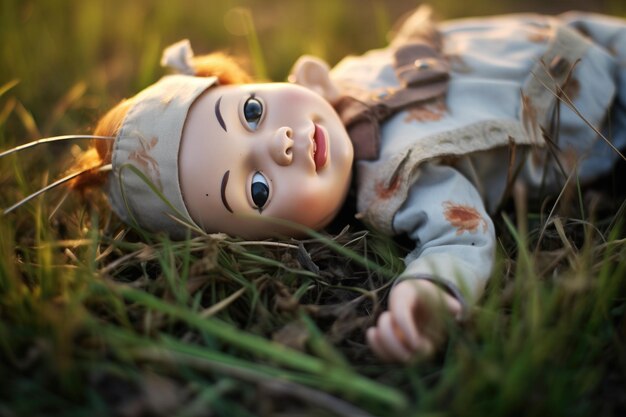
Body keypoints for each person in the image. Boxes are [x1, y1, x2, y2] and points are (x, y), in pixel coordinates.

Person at [9, 6, 626, 362]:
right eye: (255, 189)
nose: (277, 143)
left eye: (250, 113)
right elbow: (457, 242)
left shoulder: (340, 78)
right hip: (602, 111)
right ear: (268, 239)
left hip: (578, 32)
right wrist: (428, 297)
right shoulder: (400, 185)